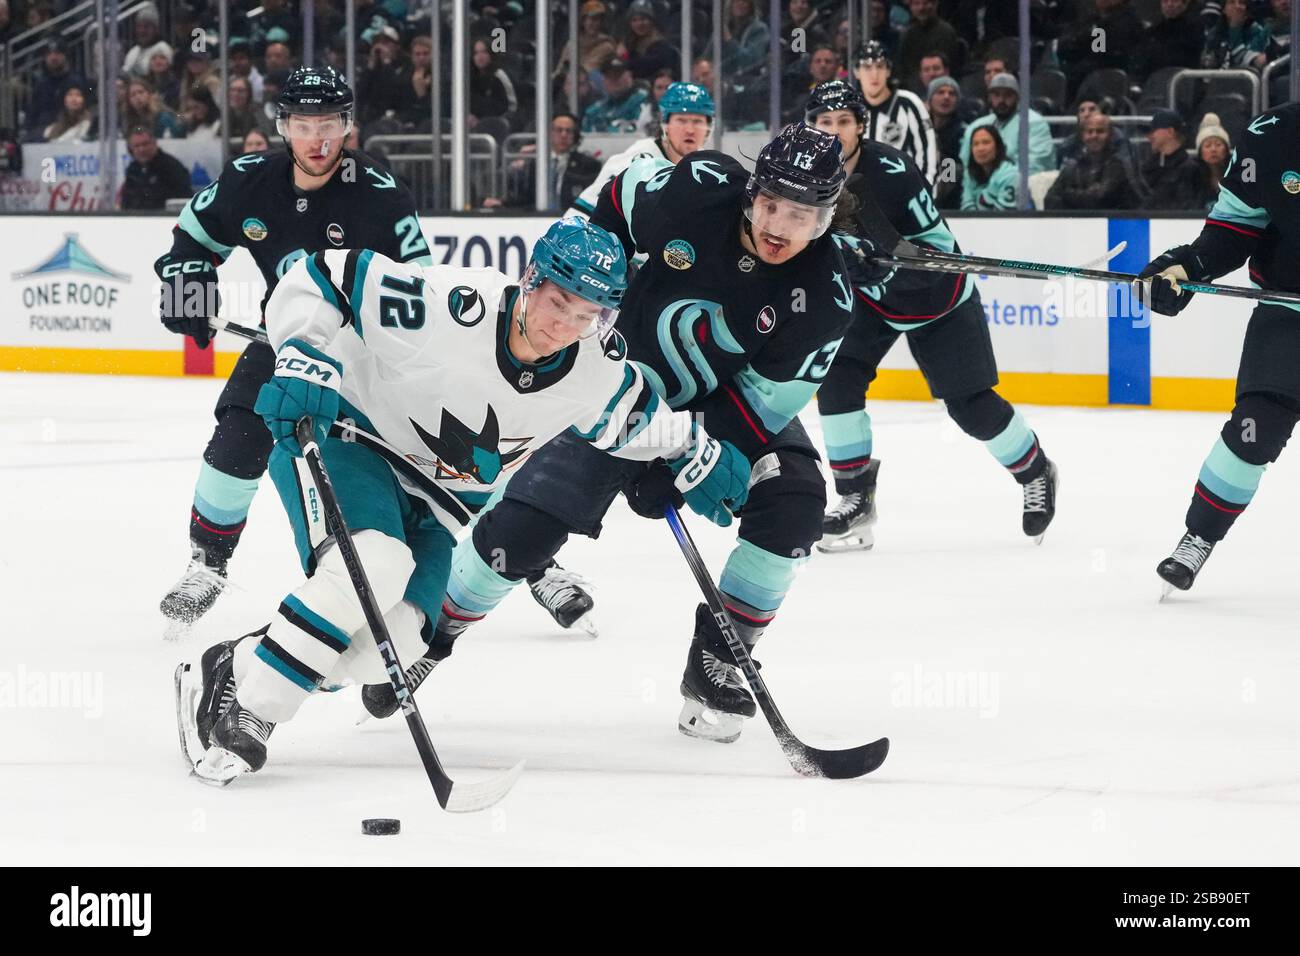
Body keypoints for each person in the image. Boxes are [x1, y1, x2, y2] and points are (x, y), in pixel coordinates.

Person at [174, 218, 746, 783]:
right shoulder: (452, 307)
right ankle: (255, 712)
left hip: (441, 506)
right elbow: (324, 276)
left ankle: (235, 665)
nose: (565, 326)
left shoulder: (595, 369)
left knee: (393, 643)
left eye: (587, 314)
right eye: (559, 302)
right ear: (531, 280)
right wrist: (303, 351)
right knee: (373, 567)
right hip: (353, 438)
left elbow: (636, 419)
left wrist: (696, 455)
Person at [373, 125, 858, 745]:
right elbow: (600, 216)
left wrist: (677, 454)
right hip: (609, 384)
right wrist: (590, 311)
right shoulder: (695, 189)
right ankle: (429, 638)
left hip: (719, 411)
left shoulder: (826, 298)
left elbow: (763, 405)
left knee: (792, 502)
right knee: (520, 534)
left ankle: (718, 657)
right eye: (770, 205)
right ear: (751, 191)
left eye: (799, 215)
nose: (778, 227)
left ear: (824, 219)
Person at [155, 67, 432, 637]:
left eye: (328, 124)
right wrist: (186, 276)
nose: (317, 139)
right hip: (285, 341)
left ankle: (504, 554)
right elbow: (195, 234)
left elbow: (419, 289)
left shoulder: (380, 196)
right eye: (303, 125)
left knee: (408, 457)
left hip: (365, 355)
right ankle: (207, 563)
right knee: (238, 432)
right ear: (283, 127)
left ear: (348, 126)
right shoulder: (250, 180)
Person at [806, 80, 1058, 551]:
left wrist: (880, 259)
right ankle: (856, 497)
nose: (833, 132)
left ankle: (1036, 470)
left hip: (937, 299)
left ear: (861, 125)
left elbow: (938, 255)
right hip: (872, 300)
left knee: (972, 409)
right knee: (837, 380)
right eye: (823, 122)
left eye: (843, 122)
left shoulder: (893, 171)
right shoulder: (806, 172)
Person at [1139, 103, 1300, 595]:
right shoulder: (1273, 134)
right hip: (1290, 308)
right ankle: (1199, 537)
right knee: (1254, 429)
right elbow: (1234, 228)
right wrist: (1189, 267)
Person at [568, 81, 713, 220]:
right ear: (665, 124)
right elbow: (583, 212)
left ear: (709, 127)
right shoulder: (638, 160)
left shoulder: (709, 168)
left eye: (697, 121)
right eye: (681, 120)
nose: (689, 130)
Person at [854, 40, 937, 187]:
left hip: (903, 195)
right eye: (867, 67)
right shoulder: (850, 108)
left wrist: (924, 196)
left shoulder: (909, 103)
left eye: (880, 66)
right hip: (858, 200)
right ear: (856, 72)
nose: (874, 74)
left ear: (888, 71)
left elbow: (927, 159)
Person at [486, 111, 601, 211]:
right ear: (550, 133)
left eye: (568, 131)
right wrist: (503, 203)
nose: (563, 135)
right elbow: (527, 198)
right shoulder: (536, 163)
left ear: (575, 135)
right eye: (559, 130)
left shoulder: (588, 164)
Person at [960, 73, 1056, 175]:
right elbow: (966, 164)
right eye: (996, 95)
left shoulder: (1034, 123)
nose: (1001, 100)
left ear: (1018, 98)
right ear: (989, 98)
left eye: (1008, 95)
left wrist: (1000, 180)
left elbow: (1036, 167)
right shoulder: (976, 126)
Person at [1044, 113, 1139, 210]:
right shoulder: (1073, 165)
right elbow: (1049, 200)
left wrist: (1066, 194)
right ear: (1082, 136)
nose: (1094, 136)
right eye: (1089, 131)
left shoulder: (1118, 164)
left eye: (1100, 131)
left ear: (1110, 135)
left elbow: (1098, 201)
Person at [1140, 108, 1203, 210]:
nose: (1149, 136)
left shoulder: (1189, 169)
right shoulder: (1149, 166)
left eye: (1153, 131)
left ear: (1170, 132)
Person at [1133, 0, 1210, 82]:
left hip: (1181, 82)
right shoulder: (1153, 31)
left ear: (1185, 4)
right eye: (1165, 1)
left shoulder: (1194, 29)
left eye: (1174, 1)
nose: (1169, 4)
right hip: (1153, 82)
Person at [121, 127, 192, 209]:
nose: (142, 149)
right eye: (137, 146)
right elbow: (126, 201)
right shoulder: (133, 169)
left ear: (154, 143)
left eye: (145, 144)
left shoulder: (171, 167)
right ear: (131, 149)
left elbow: (182, 198)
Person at [897, 0, 961, 90]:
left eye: (925, 3)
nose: (921, 8)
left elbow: (951, 68)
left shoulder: (946, 32)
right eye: (916, 4)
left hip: (942, 86)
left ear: (935, 4)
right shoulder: (907, 34)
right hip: (912, 88)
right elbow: (903, 70)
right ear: (911, 7)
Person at [553, 1, 618, 83]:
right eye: (593, 19)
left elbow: (587, 70)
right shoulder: (572, 43)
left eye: (600, 20)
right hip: (568, 84)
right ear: (583, 21)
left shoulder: (606, 46)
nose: (597, 23)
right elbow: (560, 70)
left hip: (590, 88)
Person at [926, 75, 965, 208]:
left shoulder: (964, 132)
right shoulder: (920, 129)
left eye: (952, 93)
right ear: (930, 99)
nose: (946, 97)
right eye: (940, 92)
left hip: (953, 203)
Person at [582, 59, 649, 133]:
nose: (613, 80)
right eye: (609, 76)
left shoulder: (643, 101)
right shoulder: (597, 109)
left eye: (618, 75)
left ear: (629, 76)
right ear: (604, 81)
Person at [1202, 0, 1270, 70]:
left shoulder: (1256, 31)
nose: (1237, 7)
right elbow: (1207, 62)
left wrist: (1235, 27)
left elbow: (1246, 62)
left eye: (1241, 3)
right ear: (1224, 10)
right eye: (1231, 2)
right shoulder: (1215, 32)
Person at [620, 0, 677, 81]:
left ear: (652, 21)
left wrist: (624, 57)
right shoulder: (629, 43)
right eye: (634, 20)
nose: (639, 24)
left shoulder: (662, 45)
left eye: (643, 19)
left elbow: (645, 67)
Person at [469, 37, 518, 124]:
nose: (480, 56)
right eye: (476, 53)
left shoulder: (499, 75)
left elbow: (510, 108)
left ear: (491, 54)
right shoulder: (470, 78)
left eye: (484, 52)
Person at [121, 75, 184, 141]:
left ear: (149, 94)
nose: (138, 97)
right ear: (129, 101)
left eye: (141, 92)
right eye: (133, 94)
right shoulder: (129, 119)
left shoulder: (163, 117)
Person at [1194, 113, 1231, 208]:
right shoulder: (1193, 177)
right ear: (1200, 152)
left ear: (1226, 150)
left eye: (1218, 144)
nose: (1213, 149)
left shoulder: (1237, 176)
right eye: (1208, 145)